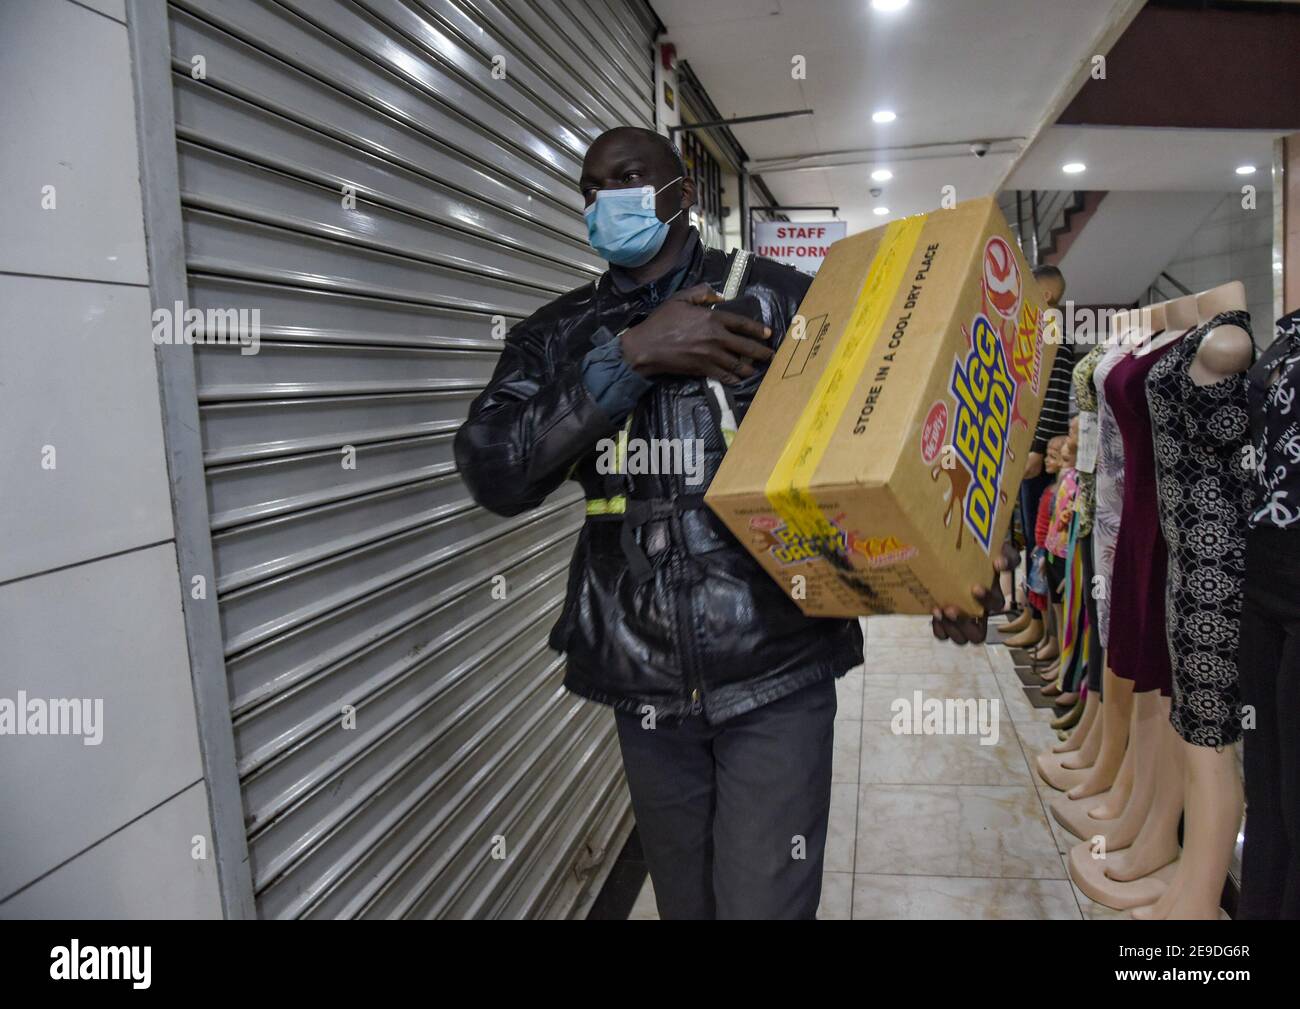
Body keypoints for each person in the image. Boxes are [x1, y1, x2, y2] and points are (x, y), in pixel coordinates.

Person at [453, 126, 1015, 919]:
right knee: (689, 905)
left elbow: (886, 434)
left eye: (627, 178)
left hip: (776, 655)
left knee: (763, 903)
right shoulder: (558, 334)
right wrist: (629, 358)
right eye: (589, 188)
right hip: (639, 671)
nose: (603, 199)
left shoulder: (783, 294)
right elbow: (494, 467)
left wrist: (947, 564)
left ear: (680, 189)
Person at [1002, 264, 1072, 648]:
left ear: (1045, 295)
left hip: (1042, 452)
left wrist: (1037, 446)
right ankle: (1032, 613)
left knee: (1041, 539)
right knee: (1030, 536)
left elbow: (1051, 395)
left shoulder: (1052, 328)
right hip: (1029, 446)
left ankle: (1045, 626)